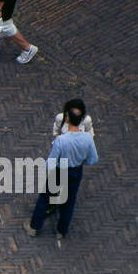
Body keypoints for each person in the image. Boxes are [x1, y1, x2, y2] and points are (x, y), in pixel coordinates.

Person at [26, 104, 99, 245]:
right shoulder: (87, 139)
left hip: (60, 170)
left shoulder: (61, 140)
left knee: (45, 197)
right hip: (76, 171)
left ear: (67, 119)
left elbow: (50, 163)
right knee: (70, 201)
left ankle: (34, 228)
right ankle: (61, 231)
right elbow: (93, 159)